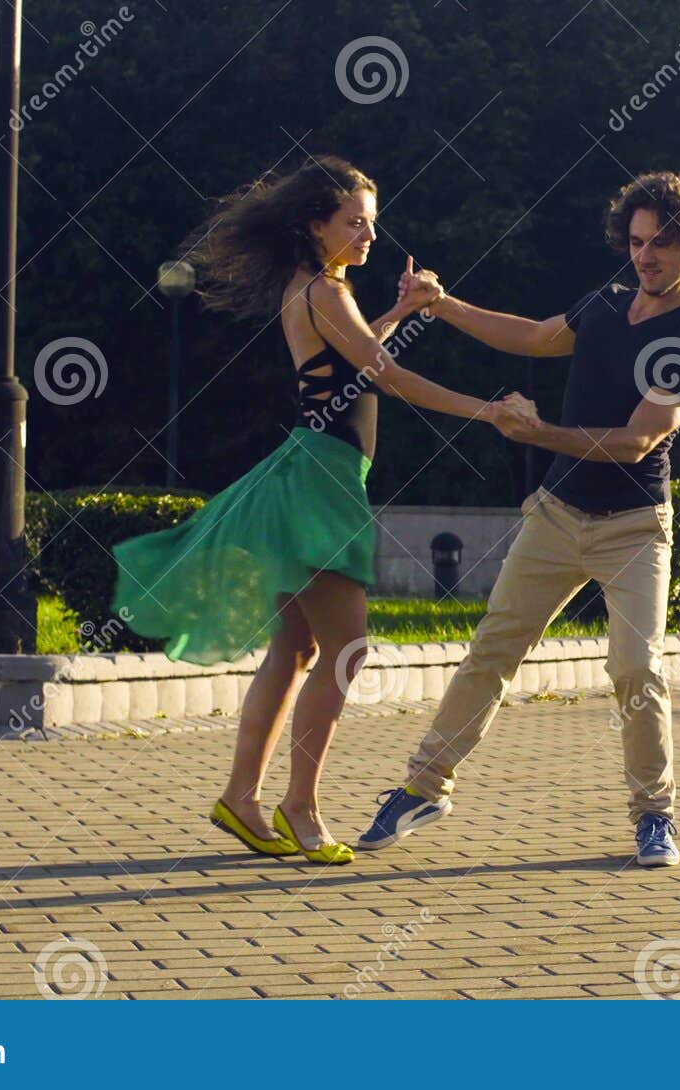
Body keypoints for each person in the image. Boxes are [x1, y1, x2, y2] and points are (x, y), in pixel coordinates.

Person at [110, 157, 537, 865]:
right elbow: (386, 375)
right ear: (317, 226)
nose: (369, 234)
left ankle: (243, 799)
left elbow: (354, 356)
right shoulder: (322, 291)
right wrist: (486, 410)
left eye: (373, 221)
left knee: (297, 648)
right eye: (355, 222)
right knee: (346, 650)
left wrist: (402, 309)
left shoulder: (315, 289)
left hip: (310, 470)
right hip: (320, 483)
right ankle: (299, 805)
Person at [359, 170, 680, 866]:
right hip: (557, 515)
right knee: (493, 649)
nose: (646, 257)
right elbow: (531, 336)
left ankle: (655, 816)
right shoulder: (606, 304)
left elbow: (635, 442)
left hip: (634, 527)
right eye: (639, 242)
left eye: (663, 245)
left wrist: (539, 434)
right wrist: (439, 305)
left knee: (635, 667)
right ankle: (424, 786)